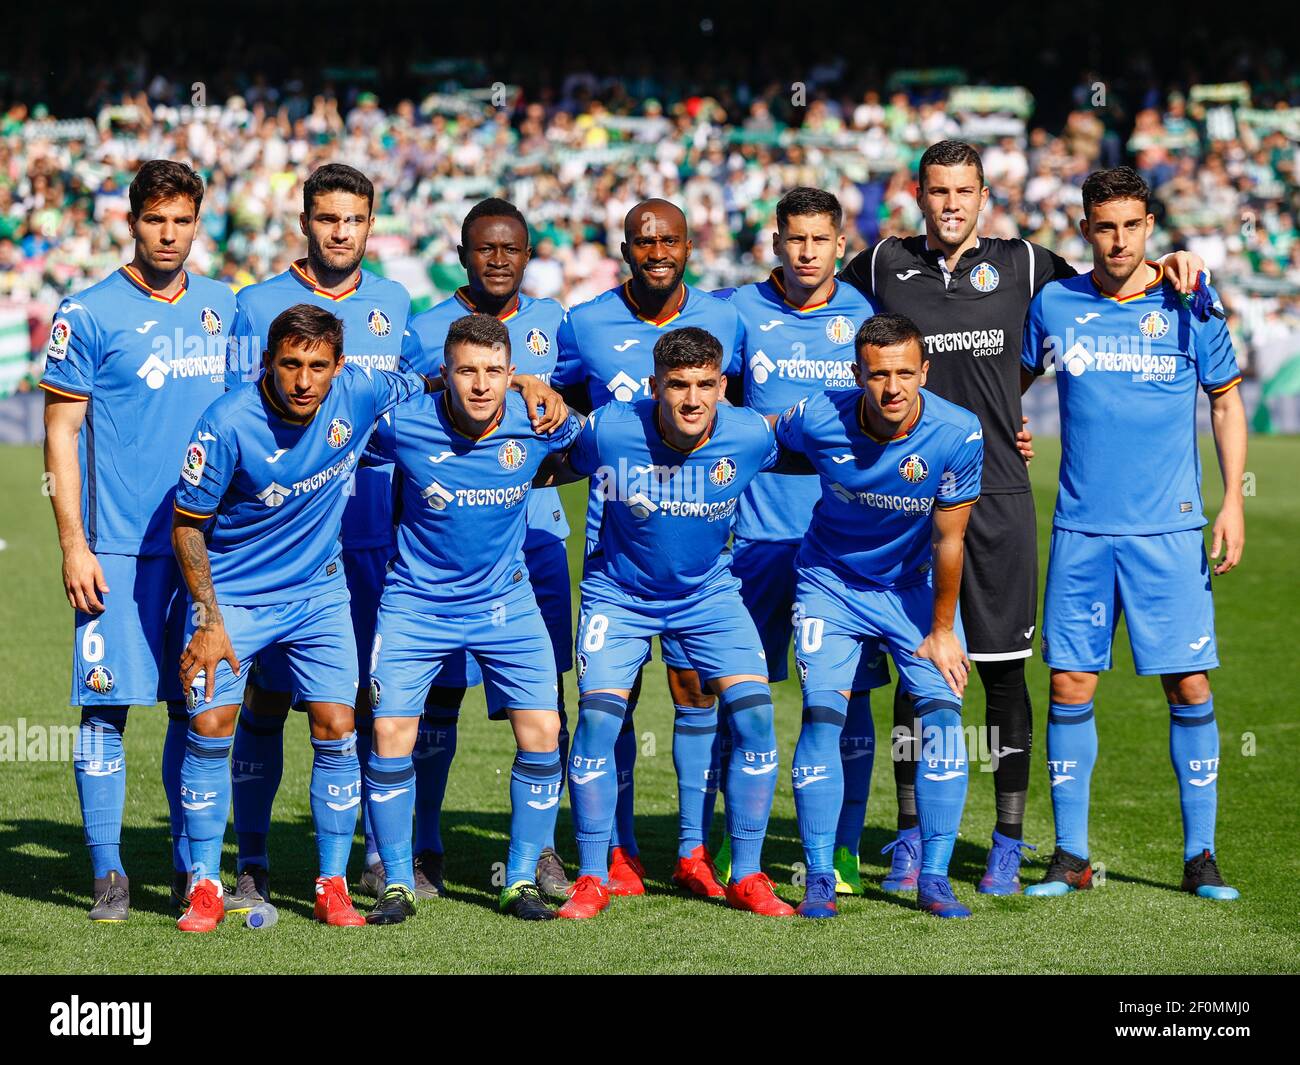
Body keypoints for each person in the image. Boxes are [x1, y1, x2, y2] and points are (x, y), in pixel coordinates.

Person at [838, 139, 1207, 894]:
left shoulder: (1028, 267)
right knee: (919, 676)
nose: (950, 204)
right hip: (911, 501)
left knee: (1005, 677)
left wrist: (1179, 263)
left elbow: (1111, 289)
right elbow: (809, 308)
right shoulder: (880, 266)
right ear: (919, 194)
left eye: (964, 191)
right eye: (938, 190)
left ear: (983, 196)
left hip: (1002, 498)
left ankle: (1008, 838)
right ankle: (909, 834)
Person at [170, 304, 434, 932]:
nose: (303, 380)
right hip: (231, 597)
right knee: (211, 721)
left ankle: (332, 884)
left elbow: (435, 379)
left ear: (339, 366)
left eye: (318, 366)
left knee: (338, 724)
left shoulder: (364, 390)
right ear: (268, 362)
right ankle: (204, 885)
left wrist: (524, 383)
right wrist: (208, 617)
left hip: (319, 594)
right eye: (290, 364)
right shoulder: (226, 423)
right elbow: (187, 529)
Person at [1020, 166, 1244, 901]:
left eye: (1131, 225)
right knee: (1069, 680)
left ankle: (1201, 855)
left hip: (1169, 531)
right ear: (1085, 229)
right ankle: (1071, 854)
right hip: (1082, 529)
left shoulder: (1190, 299)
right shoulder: (1055, 303)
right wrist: (1009, 422)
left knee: (1187, 681)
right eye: (1104, 226)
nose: (1118, 240)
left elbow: (1226, 401)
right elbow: (1009, 382)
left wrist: (1233, 502)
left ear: (1150, 227)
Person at [39, 159, 233, 920]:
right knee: (104, 711)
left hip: (203, 551)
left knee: (197, 708)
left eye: (182, 220)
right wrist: (72, 543)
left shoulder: (224, 309)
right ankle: (109, 870)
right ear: (131, 222)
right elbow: (60, 434)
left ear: (197, 222)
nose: (169, 234)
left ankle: (193, 867)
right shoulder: (85, 312)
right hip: (114, 549)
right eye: (156, 220)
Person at [549, 326, 795, 920]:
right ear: (654, 386)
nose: (691, 400)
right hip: (620, 595)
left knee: (756, 718)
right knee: (598, 722)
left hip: (709, 596)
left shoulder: (747, 436)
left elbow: (837, 437)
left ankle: (747, 871)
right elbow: (546, 460)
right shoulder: (610, 427)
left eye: (705, 385)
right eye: (678, 385)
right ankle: (591, 873)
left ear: (724, 387)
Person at [549, 199, 744, 895]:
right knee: (614, 698)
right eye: (643, 240)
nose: (656, 250)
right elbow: (564, 411)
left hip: (698, 549)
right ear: (625, 247)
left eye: (669, 239)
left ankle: (693, 849)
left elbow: (741, 416)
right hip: (616, 551)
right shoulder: (587, 322)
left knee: (696, 691)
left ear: (690, 243)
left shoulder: (725, 320)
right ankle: (620, 847)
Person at [363, 314, 581, 924]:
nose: (480, 385)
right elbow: (338, 426)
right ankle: (398, 883)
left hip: (506, 605)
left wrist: (544, 393)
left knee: (542, 734)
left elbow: (597, 445)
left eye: (493, 372)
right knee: (389, 738)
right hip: (415, 604)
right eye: (466, 371)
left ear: (511, 374)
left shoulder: (538, 422)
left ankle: (518, 881)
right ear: (445, 374)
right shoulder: (403, 425)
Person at [775, 312, 984, 918]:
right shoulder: (819, 414)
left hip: (913, 590)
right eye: (877, 375)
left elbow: (952, 542)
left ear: (925, 371)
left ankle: (935, 875)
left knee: (943, 717)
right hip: (829, 584)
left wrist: (943, 632)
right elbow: (760, 435)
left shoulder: (958, 432)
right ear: (855, 374)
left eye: (903, 373)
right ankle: (818, 875)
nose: (892, 388)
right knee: (822, 717)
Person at [401, 198, 573, 902]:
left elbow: (578, 416)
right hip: (447, 543)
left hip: (537, 535)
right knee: (439, 698)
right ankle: (423, 842)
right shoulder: (421, 327)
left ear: (528, 255)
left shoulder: (555, 323)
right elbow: (402, 406)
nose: (498, 259)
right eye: (485, 248)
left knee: (541, 701)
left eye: (511, 249)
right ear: (464, 252)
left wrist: (549, 396)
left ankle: (544, 850)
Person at [724, 186, 887, 896]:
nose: (807, 252)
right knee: (743, 696)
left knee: (845, 699)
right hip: (756, 535)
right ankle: (739, 849)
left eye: (821, 240)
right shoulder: (737, 312)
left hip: (843, 546)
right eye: (795, 239)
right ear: (776, 242)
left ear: (840, 245)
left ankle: (844, 848)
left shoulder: (864, 317)